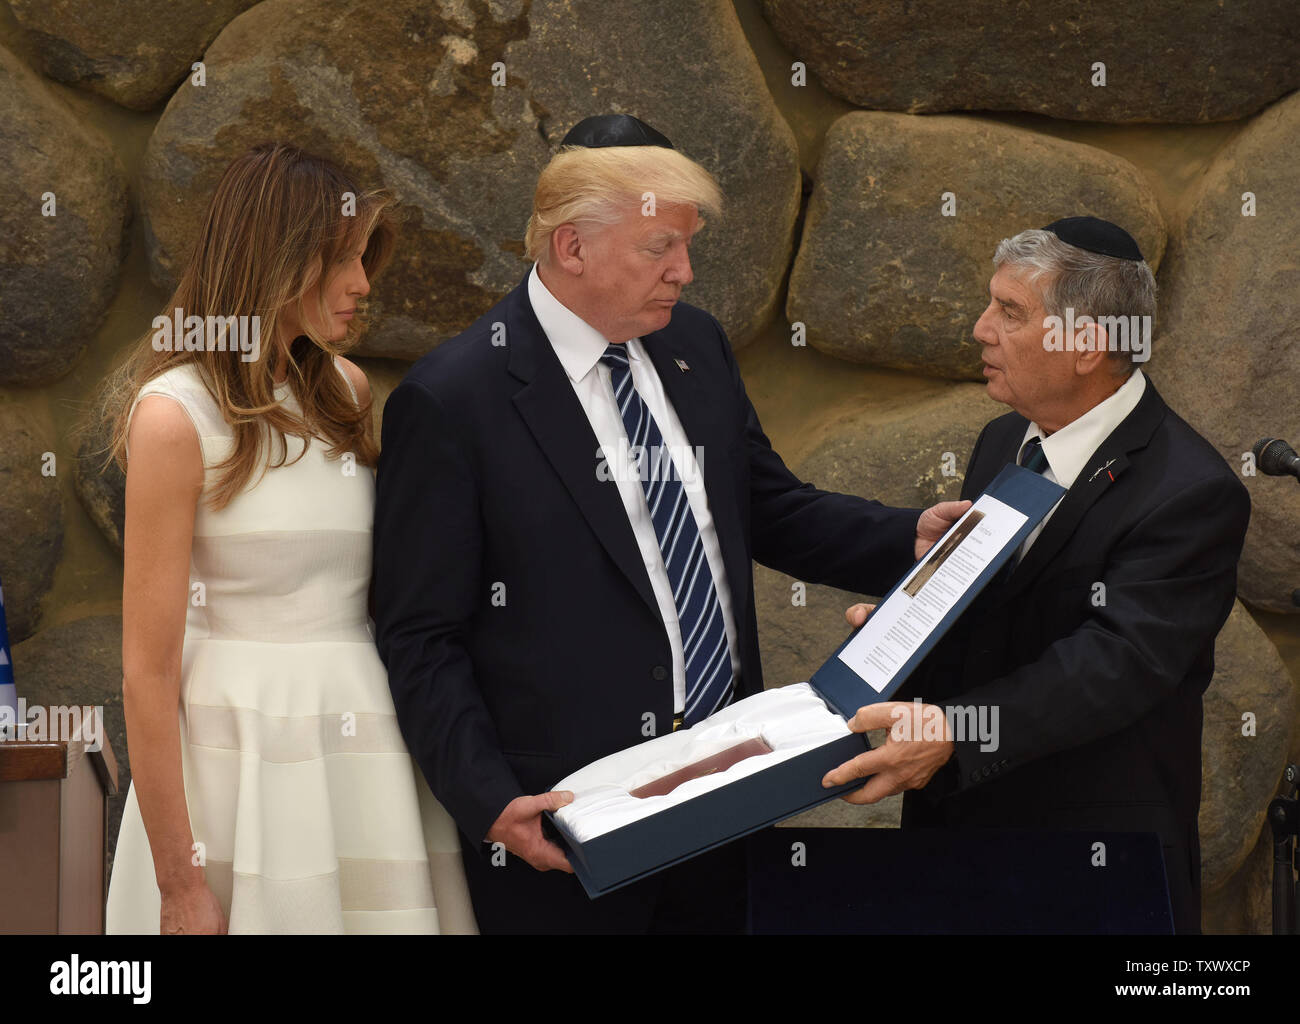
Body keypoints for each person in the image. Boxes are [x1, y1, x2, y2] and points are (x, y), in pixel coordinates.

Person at [373, 114, 968, 934]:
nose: (685, 272)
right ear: (572, 246)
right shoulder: (453, 399)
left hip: (733, 785)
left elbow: (767, 507)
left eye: (689, 247)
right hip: (570, 823)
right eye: (661, 248)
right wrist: (490, 801)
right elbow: (419, 633)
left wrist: (911, 541)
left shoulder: (694, 345)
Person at [826, 216, 1251, 934]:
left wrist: (958, 731)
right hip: (954, 834)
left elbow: (1113, 665)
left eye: (1009, 312)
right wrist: (908, 622)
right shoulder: (1002, 438)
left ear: (1086, 344)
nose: (979, 328)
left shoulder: (1191, 490)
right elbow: (999, 610)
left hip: (1089, 862)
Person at [103, 142, 475, 934]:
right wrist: (179, 884)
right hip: (236, 773)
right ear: (274, 260)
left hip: (363, 756)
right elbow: (147, 671)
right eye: (342, 260)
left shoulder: (343, 390)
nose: (363, 285)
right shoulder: (174, 416)